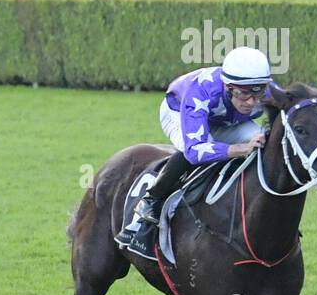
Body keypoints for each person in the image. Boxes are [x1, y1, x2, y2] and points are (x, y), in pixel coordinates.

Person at [116, 47, 273, 249]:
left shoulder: (263, 90)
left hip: (225, 119)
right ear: (228, 87)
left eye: (257, 92)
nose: (251, 101)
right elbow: (195, 150)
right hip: (177, 111)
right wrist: (240, 149)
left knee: (262, 141)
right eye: (243, 93)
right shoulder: (202, 91)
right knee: (194, 152)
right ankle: (149, 203)